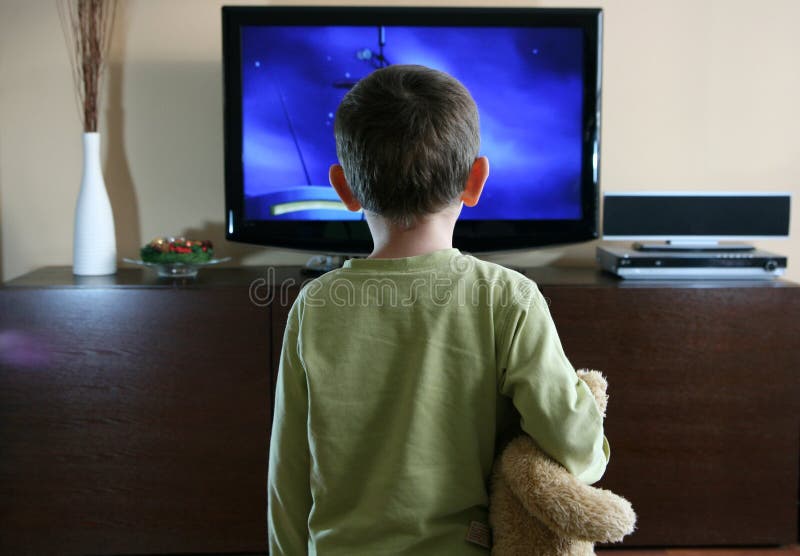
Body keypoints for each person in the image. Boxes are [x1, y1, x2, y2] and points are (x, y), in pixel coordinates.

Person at [268, 64, 609, 555]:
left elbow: (289, 473)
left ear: (343, 189)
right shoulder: (507, 297)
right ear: (476, 181)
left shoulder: (315, 305)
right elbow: (579, 452)